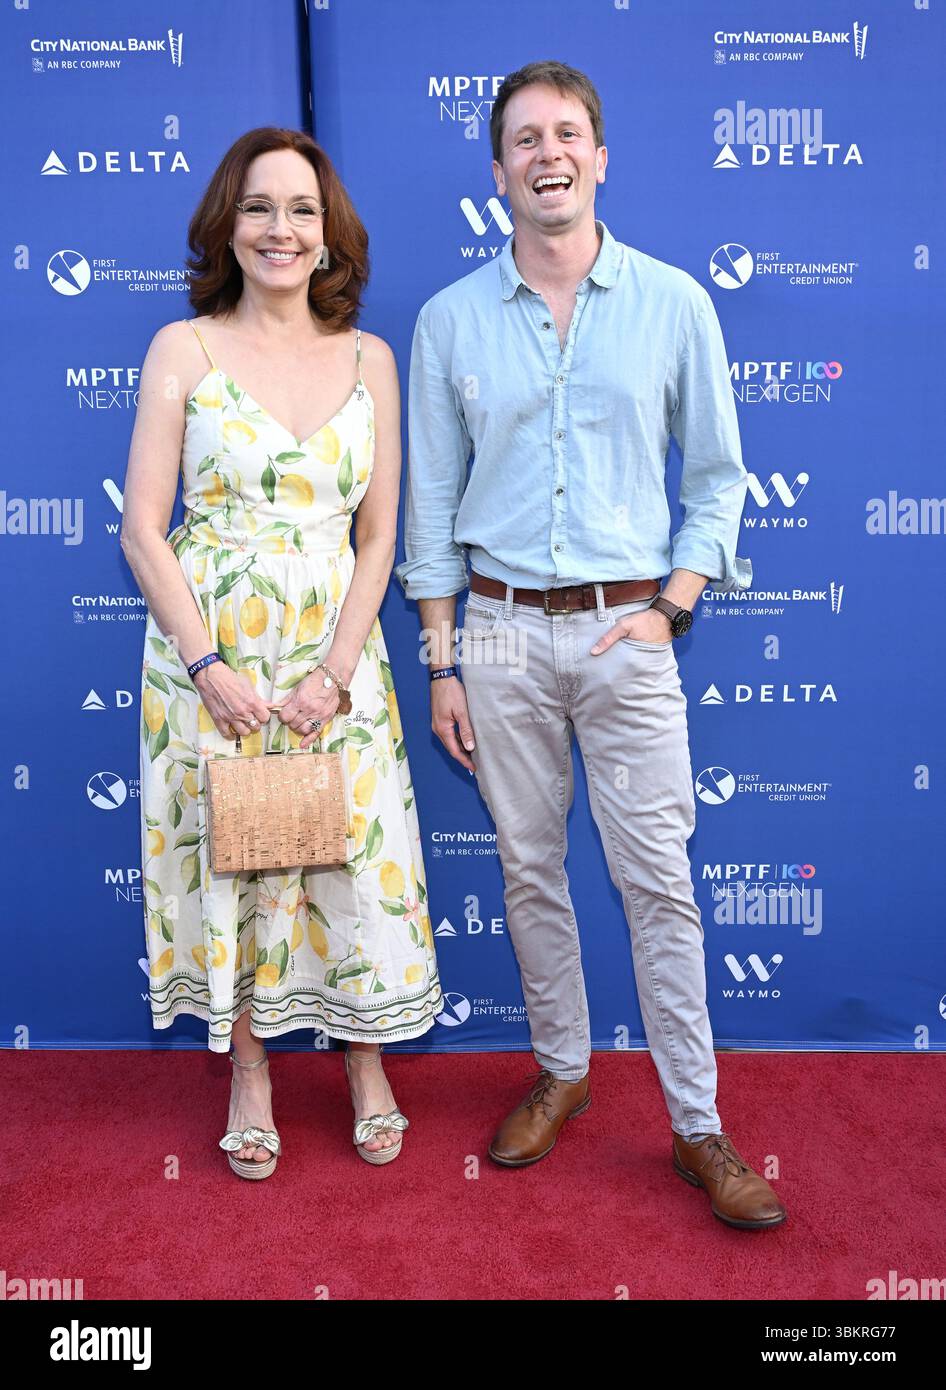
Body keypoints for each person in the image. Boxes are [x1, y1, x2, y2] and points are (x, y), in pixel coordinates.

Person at [395, 62, 786, 1228]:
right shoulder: (449, 319)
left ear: (600, 156)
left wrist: (668, 608)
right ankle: (561, 1068)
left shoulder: (674, 302)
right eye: (524, 138)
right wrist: (442, 655)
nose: (546, 153)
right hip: (500, 630)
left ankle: (699, 1126)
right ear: (500, 167)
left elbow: (717, 479)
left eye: (567, 133)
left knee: (658, 882)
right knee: (527, 870)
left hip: (628, 633)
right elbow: (429, 506)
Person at [122, 127, 441, 1179]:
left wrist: (337, 670)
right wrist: (208, 665)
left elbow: (380, 533)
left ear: (329, 231)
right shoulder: (184, 349)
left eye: (301, 209)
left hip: (333, 658)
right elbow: (141, 526)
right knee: (242, 858)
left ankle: (364, 1063)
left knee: (343, 858)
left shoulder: (369, 359)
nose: (280, 229)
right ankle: (250, 1070)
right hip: (208, 661)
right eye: (259, 207)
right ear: (228, 224)